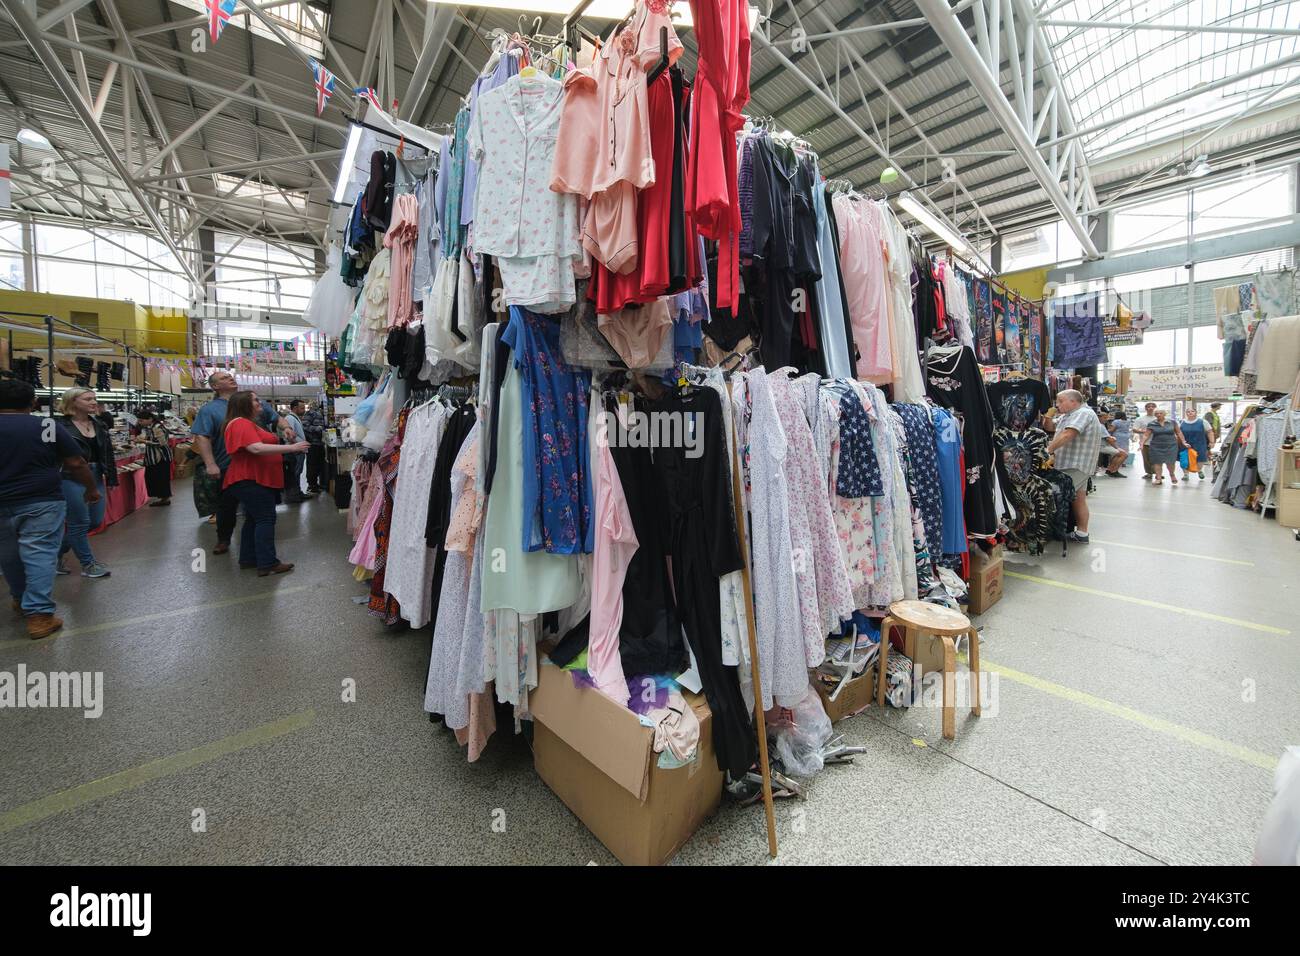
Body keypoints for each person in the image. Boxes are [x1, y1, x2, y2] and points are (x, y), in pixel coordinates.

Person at [0, 379, 99, 638]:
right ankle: (40, 615)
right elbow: (76, 462)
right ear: (33, 402)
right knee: (40, 554)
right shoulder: (46, 425)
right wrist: (90, 488)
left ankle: (21, 599)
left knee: (8, 555)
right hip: (41, 499)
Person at [190, 371, 293, 555]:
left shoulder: (253, 403)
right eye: (223, 378)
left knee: (256, 512)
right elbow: (202, 437)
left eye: (230, 376)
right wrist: (210, 463)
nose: (230, 378)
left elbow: (277, 418)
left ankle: (251, 551)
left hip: (258, 466)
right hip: (227, 465)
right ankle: (224, 539)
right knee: (226, 507)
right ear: (215, 386)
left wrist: (286, 428)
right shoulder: (210, 410)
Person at [222, 391, 309, 576]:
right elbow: (255, 448)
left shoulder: (245, 423)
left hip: (253, 478)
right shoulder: (241, 423)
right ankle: (267, 562)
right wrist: (292, 447)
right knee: (265, 519)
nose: (259, 402)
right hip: (251, 479)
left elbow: (262, 440)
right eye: (255, 400)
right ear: (244, 404)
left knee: (254, 519)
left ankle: (249, 558)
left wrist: (285, 432)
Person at [55, 387, 118, 578]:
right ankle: (88, 564)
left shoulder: (99, 424)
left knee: (95, 521)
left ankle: (55, 552)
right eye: (88, 399)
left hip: (96, 474)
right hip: (70, 475)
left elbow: (107, 453)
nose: (93, 402)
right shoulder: (57, 425)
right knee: (79, 522)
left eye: (94, 398)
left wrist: (112, 477)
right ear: (72, 402)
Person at [1044, 389, 1109, 543]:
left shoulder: (1083, 413)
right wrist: (1048, 415)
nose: (1058, 405)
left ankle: (1054, 532)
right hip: (1070, 464)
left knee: (1055, 496)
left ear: (1073, 401)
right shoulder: (1069, 415)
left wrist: (1048, 451)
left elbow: (1068, 434)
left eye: (1061, 401)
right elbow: (1050, 428)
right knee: (1078, 499)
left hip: (1075, 464)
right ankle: (1082, 533)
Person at [135, 408, 173, 506]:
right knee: (157, 478)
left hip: (160, 457)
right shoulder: (151, 427)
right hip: (156, 457)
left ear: (150, 419)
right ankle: (163, 498)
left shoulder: (157, 427)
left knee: (160, 478)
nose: (140, 423)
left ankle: (164, 499)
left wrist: (144, 441)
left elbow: (161, 443)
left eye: (141, 420)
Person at [1142, 408, 1186, 485]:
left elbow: (1179, 432)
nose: (1158, 415)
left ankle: (1172, 475)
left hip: (1171, 445)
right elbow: (1146, 435)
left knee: (1170, 462)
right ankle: (1158, 478)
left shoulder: (1172, 422)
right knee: (1157, 462)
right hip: (1156, 446)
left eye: (1160, 413)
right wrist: (1141, 443)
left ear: (1164, 414)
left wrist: (1183, 442)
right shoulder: (1152, 423)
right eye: (1156, 414)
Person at [282, 399, 311, 504]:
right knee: (295, 473)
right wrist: (297, 446)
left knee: (298, 472)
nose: (304, 410)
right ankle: (293, 495)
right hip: (295, 451)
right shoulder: (290, 418)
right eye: (302, 408)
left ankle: (298, 492)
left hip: (298, 450)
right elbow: (290, 435)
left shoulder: (295, 418)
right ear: (295, 408)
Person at [301, 402, 328, 494]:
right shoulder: (311, 413)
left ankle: (316, 485)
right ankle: (311, 485)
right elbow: (304, 426)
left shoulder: (324, 415)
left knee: (319, 465)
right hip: (312, 444)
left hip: (320, 444)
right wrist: (318, 428)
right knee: (312, 465)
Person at [1179, 406, 1210, 481]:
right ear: (1186, 413)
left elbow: (1210, 432)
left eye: (1192, 411)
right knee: (1184, 459)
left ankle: (1199, 470)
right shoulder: (1182, 422)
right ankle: (1186, 474)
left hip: (1200, 443)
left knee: (1200, 459)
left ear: (1196, 413)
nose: (1190, 413)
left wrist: (1212, 442)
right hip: (1185, 444)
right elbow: (1178, 432)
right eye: (1188, 412)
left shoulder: (1203, 422)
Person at [1132, 402, 1159, 479]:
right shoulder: (1140, 419)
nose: (1151, 408)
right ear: (1146, 408)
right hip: (1145, 442)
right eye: (1149, 407)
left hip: (1157, 442)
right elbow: (1134, 430)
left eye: (1152, 407)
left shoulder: (1159, 418)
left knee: (1157, 458)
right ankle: (1149, 473)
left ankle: (1158, 473)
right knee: (1146, 459)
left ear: (1155, 408)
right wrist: (1146, 432)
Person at [1101, 412, 1131, 477]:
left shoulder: (1116, 421)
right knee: (1120, 453)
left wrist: (1107, 430)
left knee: (1117, 454)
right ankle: (1112, 470)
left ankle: (1112, 470)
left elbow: (1111, 430)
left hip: (1117, 437)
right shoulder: (1128, 421)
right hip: (1125, 437)